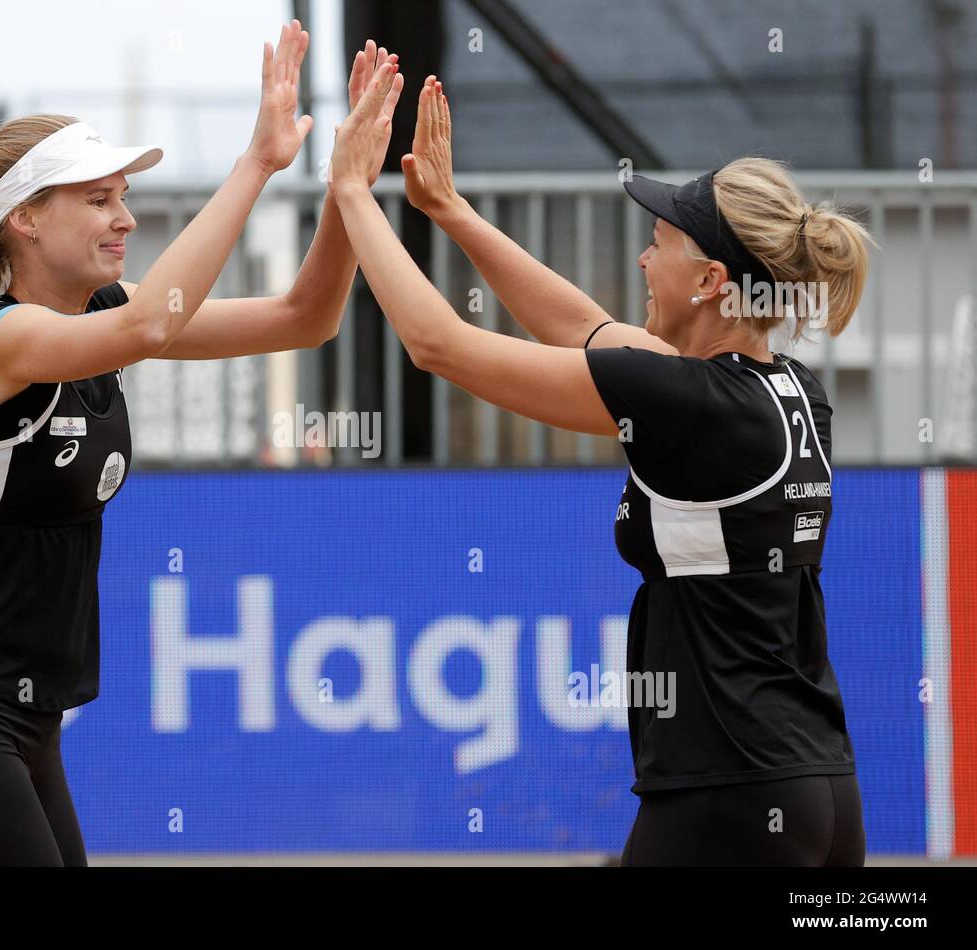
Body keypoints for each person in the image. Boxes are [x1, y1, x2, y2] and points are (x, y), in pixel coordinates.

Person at [0, 24, 403, 866]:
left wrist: (345, 189)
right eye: (100, 199)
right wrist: (257, 161)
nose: (125, 217)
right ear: (27, 218)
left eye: (123, 196)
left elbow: (307, 318)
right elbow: (154, 323)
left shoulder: (100, 311)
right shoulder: (3, 340)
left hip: (22, 728)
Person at [329, 64, 872, 865]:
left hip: (726, 793)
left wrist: (349, 192)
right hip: (819, 790)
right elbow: (583, 327)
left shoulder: (689, 401)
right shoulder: (790, 390)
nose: (645, 263)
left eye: (660, 245)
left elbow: (437, 343)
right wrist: (448, 210)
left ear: (712, 281)